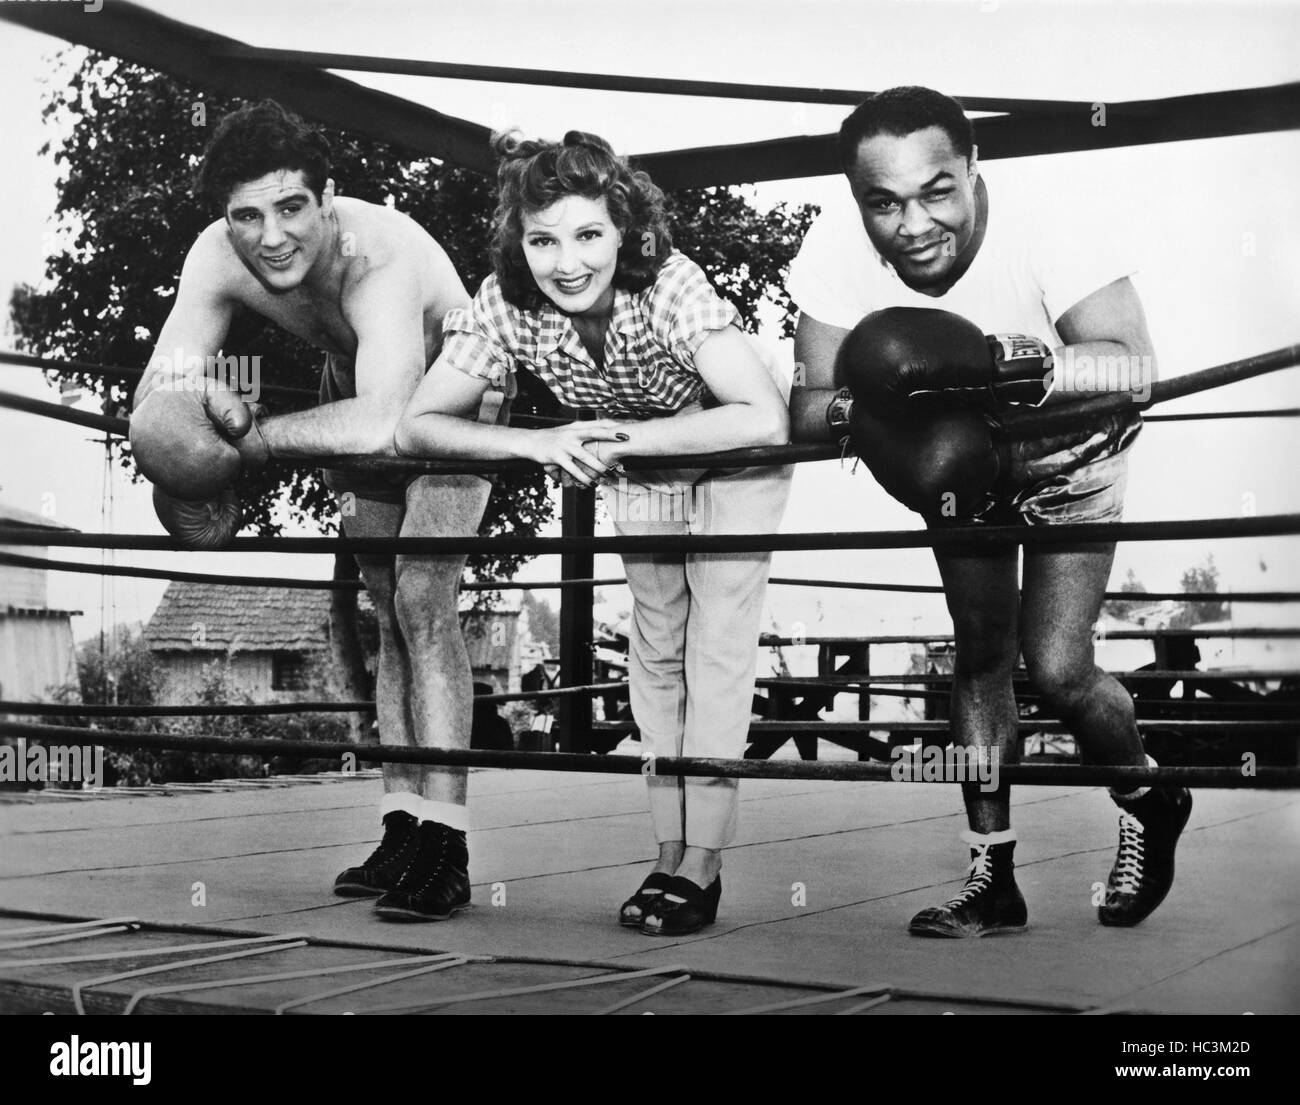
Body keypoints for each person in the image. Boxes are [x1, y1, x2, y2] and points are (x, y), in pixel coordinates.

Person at [786, 86, 1191, 936]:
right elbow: (806, 403)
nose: (914, 224)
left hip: (1070, 452)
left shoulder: (1049, 223)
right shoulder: (833, 251)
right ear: (856, 196)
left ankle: (1150, 794)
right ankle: (991, 878)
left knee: (1057, 668)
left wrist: (997, 362)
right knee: (977, 659)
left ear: (973, 168)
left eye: (937, 191)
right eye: (883, 202)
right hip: (958, 464)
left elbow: (1135, 366)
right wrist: (874, 408)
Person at [397, 130, 793, 936]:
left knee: (715, 641)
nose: (566, 262)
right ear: (521, 242)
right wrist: (535, 441)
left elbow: (763, 416)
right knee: (655, 652)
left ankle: (705, 866)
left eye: (588, 234)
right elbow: (418, 425)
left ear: (624, 230)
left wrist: (618, 437)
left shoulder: (672, 284)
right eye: (543, 239)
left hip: (729, 449)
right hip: (639, 450)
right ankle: (670, 851)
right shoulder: (506, 302)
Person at [129, 100, 493, 922]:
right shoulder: (215, 256)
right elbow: (158, 395)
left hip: (454, 386)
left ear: (327, 199)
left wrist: (248, 442)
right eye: (247, 215)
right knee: (384, 609)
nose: (271, 236)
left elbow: (391, 423)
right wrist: (196, 413)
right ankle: (405, 823)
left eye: (291, 207)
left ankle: (450, 845)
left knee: (424, 601)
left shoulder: (382, 255)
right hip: (357, 383)